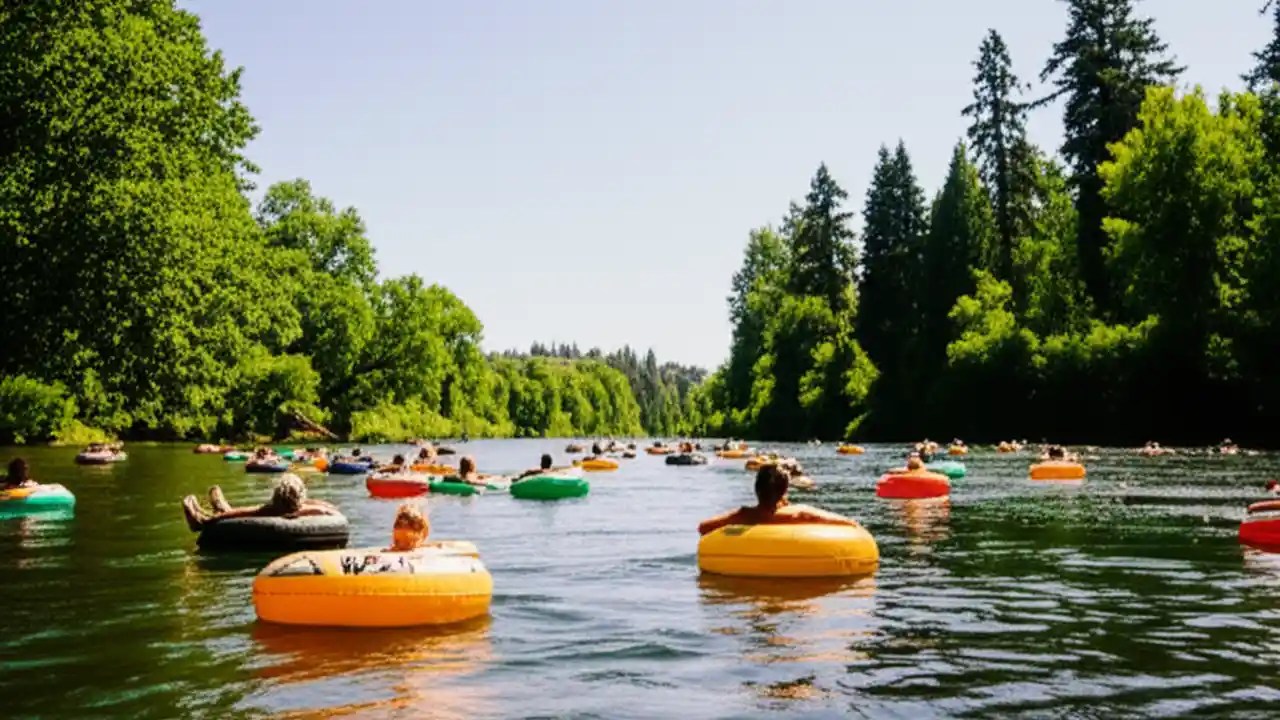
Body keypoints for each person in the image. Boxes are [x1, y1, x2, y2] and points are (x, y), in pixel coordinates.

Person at [697, 464, 859, 535]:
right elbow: (849, 523)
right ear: (784, 492)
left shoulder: (742, 516)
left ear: (756, 489)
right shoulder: (797, 515)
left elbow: (703, 528)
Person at [181, 474, 340, 532]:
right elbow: (330, 511)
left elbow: (245, 512)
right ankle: (215, 514)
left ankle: (217, 513)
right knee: (244, 513)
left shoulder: (271, 509)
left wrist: (211, 520)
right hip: (288, 508)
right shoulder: (304, 508)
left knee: (244, 512)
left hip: (282, 508)